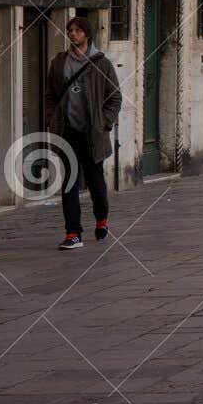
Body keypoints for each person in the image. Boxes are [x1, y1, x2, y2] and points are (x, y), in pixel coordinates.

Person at [45, 18, 122, 250]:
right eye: (70, 30)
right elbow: (50, 95)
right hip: (67, 131)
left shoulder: (102, 64)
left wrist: (104, 123)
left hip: (92, 133)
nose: (73, 34)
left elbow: (115, 97)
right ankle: (73, 233)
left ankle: (101, 219)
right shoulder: (59, 63)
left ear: (87, 35)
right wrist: (51, 119)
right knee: (69, 181)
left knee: (95, 181)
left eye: (78, 31)